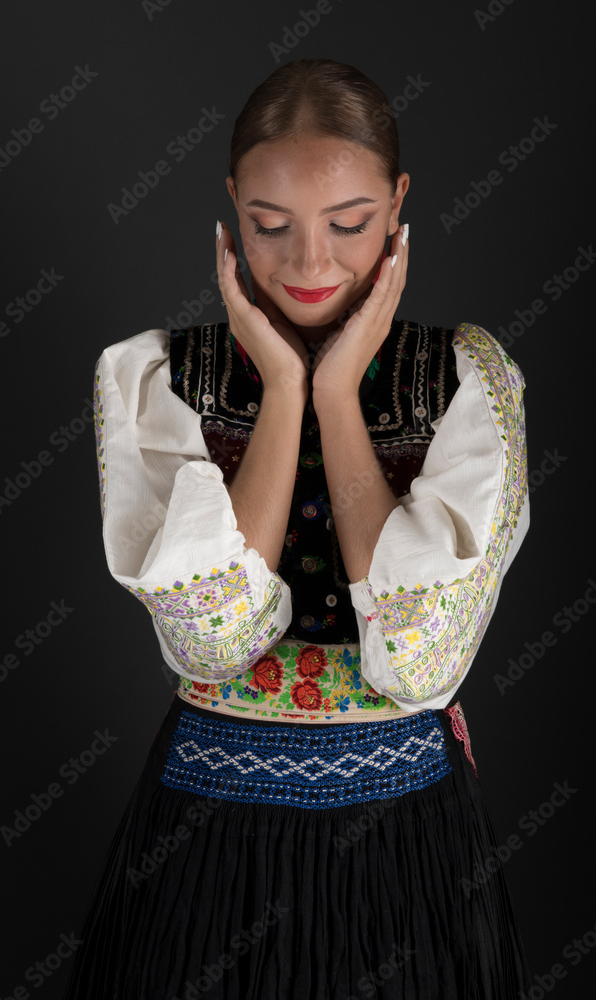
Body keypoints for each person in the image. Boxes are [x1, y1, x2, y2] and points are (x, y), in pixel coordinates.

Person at [63, 58, 532, 999]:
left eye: (349, 226)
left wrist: (336, 397)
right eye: (268, 227)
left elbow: (422, 661)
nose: (310, 264)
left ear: (398, 205)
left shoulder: (465, 384)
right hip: (207, 830)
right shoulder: (164, 385)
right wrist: (284, 387)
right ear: (232, 206)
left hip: (408, 834)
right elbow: (214, 640)